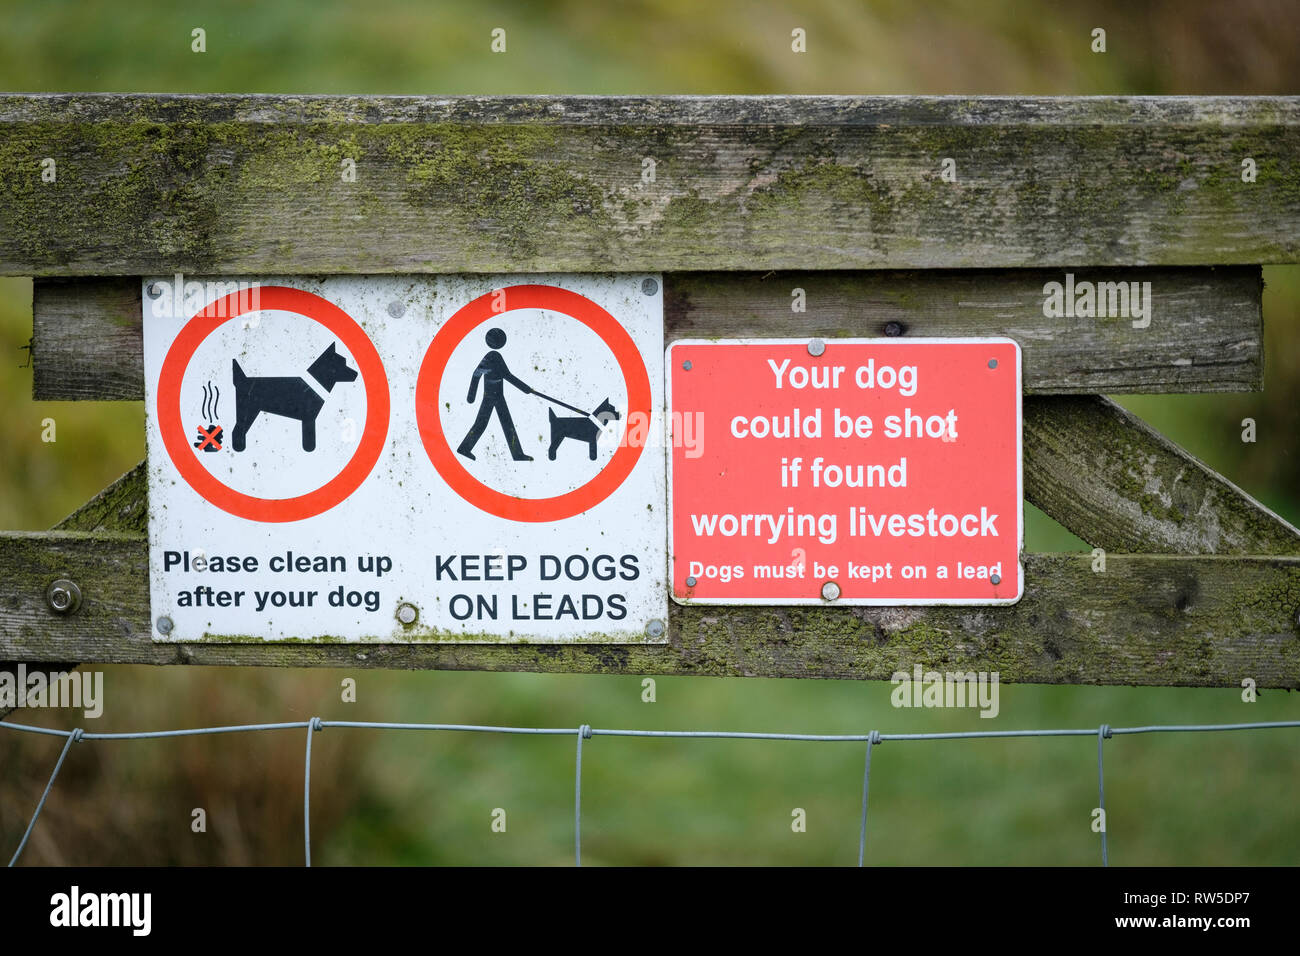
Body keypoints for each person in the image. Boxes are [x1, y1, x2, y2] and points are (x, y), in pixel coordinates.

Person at [456, 328, 534, 461]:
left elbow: (477, 375)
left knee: (504, 423)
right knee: (486, 423)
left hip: (497, 396)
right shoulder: (493, 358)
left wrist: (471, 396)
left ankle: (517, 454)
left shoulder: (492, 357)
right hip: (490, 397)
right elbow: (505, 376)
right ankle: (464, 448)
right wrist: (526, 389)